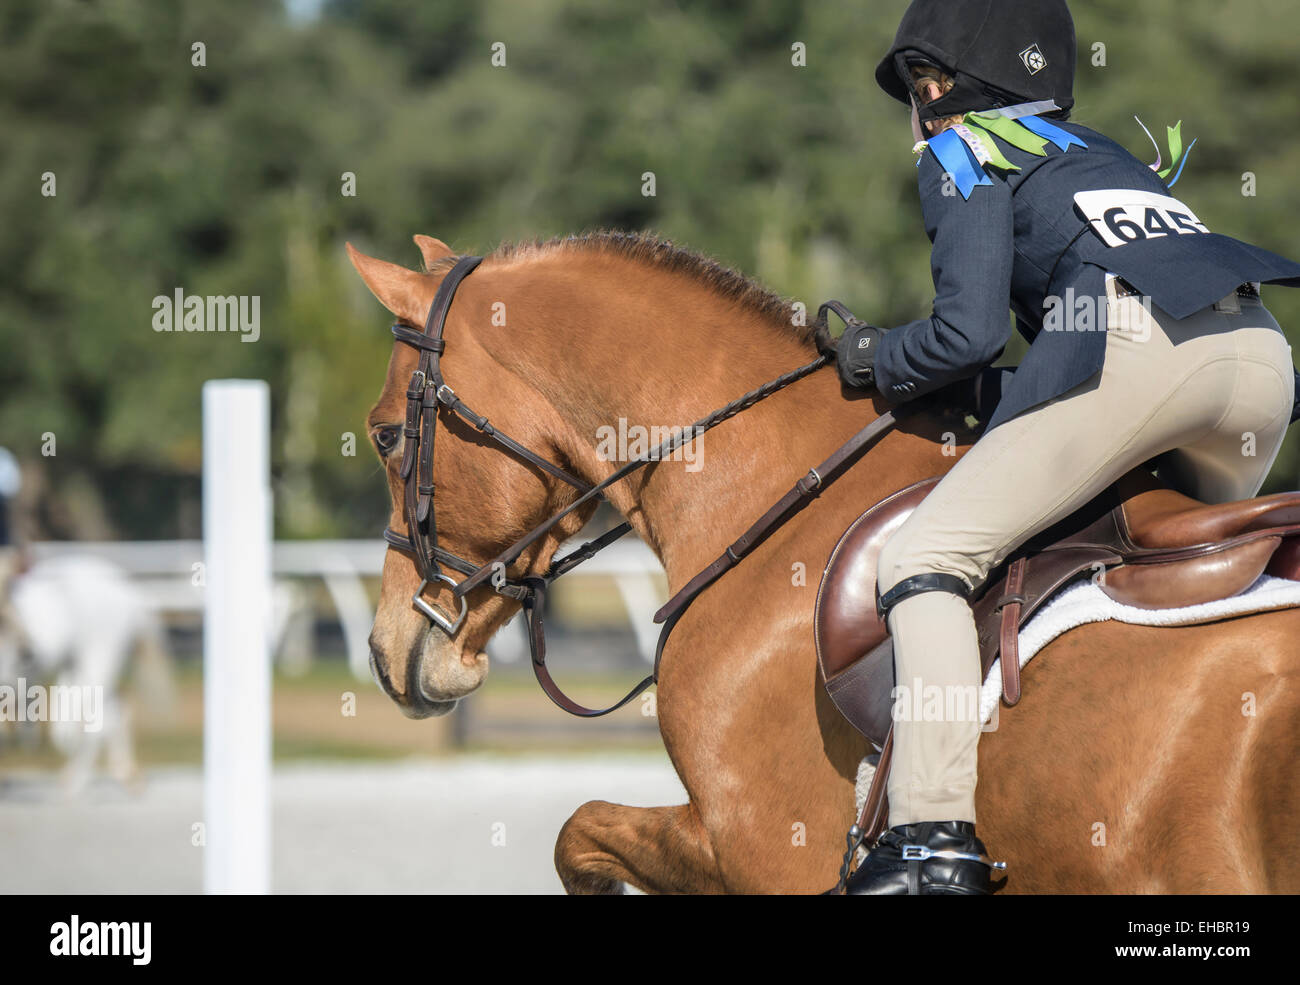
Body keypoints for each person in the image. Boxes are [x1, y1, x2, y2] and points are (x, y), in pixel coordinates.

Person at [833, 0, 1300, 894]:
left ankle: (930, 839)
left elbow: (966, 334)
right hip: (1263, 364)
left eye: (920, 88)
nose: (919, 107)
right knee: (1117, 553)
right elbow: (1049, 363)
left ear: (938, 86)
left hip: (1141, 357)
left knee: (925, 560)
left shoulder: (962, 148)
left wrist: (873, 357)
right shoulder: (1109, 160)